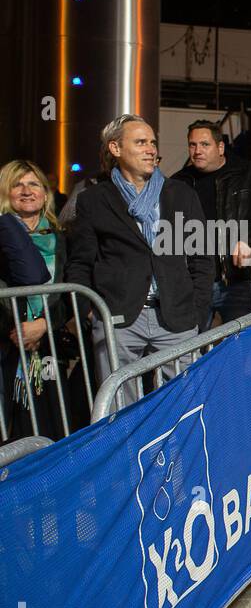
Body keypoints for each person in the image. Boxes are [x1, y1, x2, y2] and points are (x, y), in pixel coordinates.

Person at [65, 114, 213, 406]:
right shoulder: (93, 200)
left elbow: (202, 256)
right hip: (119, 319)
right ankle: (129, 453)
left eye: (153, 142)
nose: (151, 149)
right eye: (141, 142)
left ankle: (176, 454)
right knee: (120, 408)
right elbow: (80, 262)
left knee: (182, 403)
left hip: (177, 316)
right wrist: (91, 312)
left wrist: (197, 309)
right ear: (115, 149)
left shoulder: (180, 193)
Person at [170, 119, 251, 330]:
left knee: (239, 348)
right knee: (191, 346)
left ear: (220, 147)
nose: (197, 150)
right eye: (192, 145)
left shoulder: (249, 173)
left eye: (205, 144)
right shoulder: (178, 182)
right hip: (194, 282)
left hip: (238, 280)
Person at [0, 161, 79, 440]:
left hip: (50, 345)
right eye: (17, 184)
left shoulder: (64, 240)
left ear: (46, 194)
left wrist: (44, 324)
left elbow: (75, 294)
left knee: (52, 426)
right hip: (8, 345)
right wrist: (19, 328)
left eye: (34, 184)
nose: (26, 191)